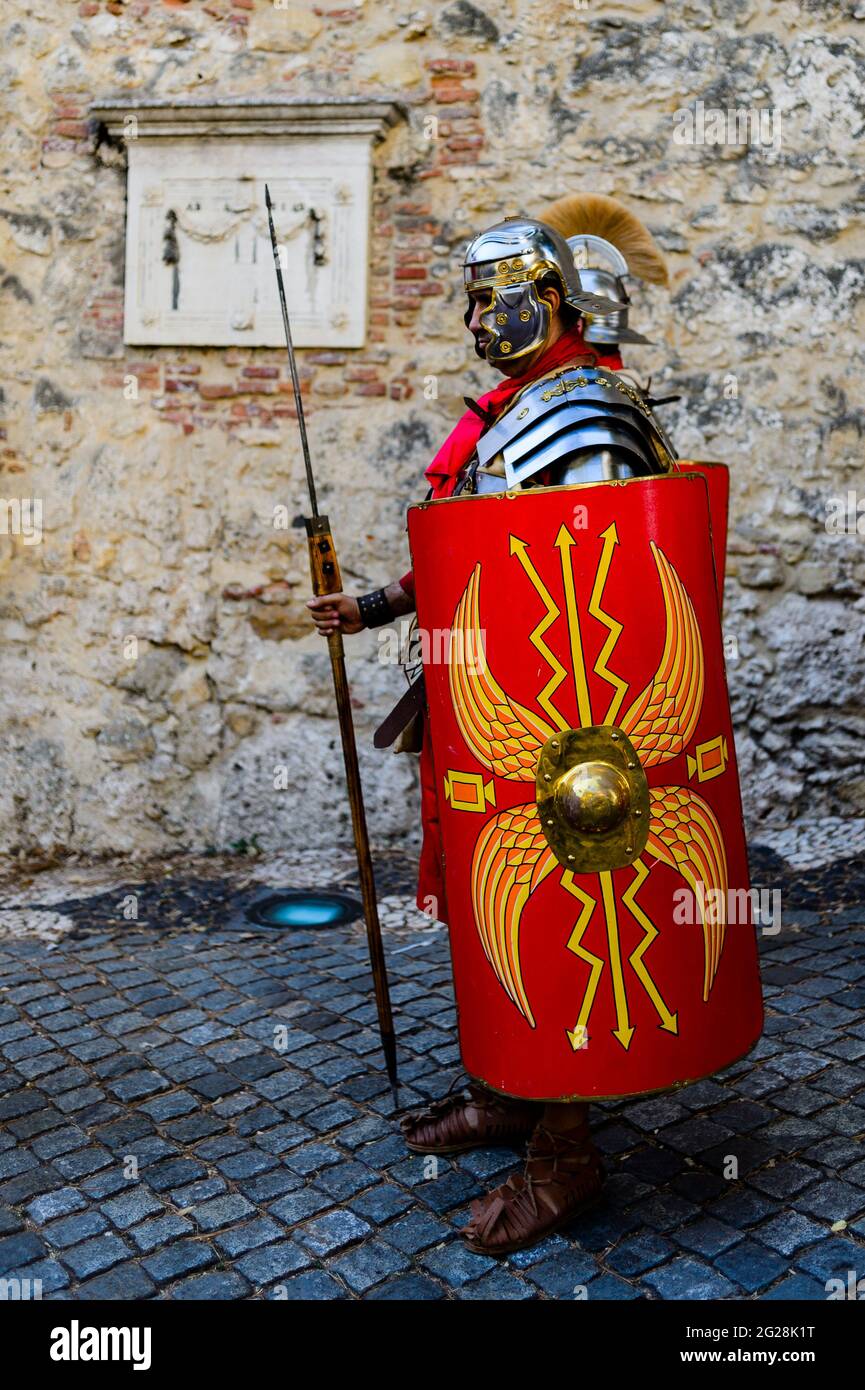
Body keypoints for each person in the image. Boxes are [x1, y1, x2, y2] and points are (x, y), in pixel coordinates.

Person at [308, 198, 723, 1255]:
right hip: (487, 711)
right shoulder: (513, 413)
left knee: (556, 915)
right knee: (481, 903)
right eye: (469, 303)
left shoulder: (589, 418)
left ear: (546, 299)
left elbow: (601, 600)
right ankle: (511, 1090)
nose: (473, 322)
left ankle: (566, 1152)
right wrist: (375, 606)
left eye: (488, 301)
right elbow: (475, 550)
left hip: (566, 743)